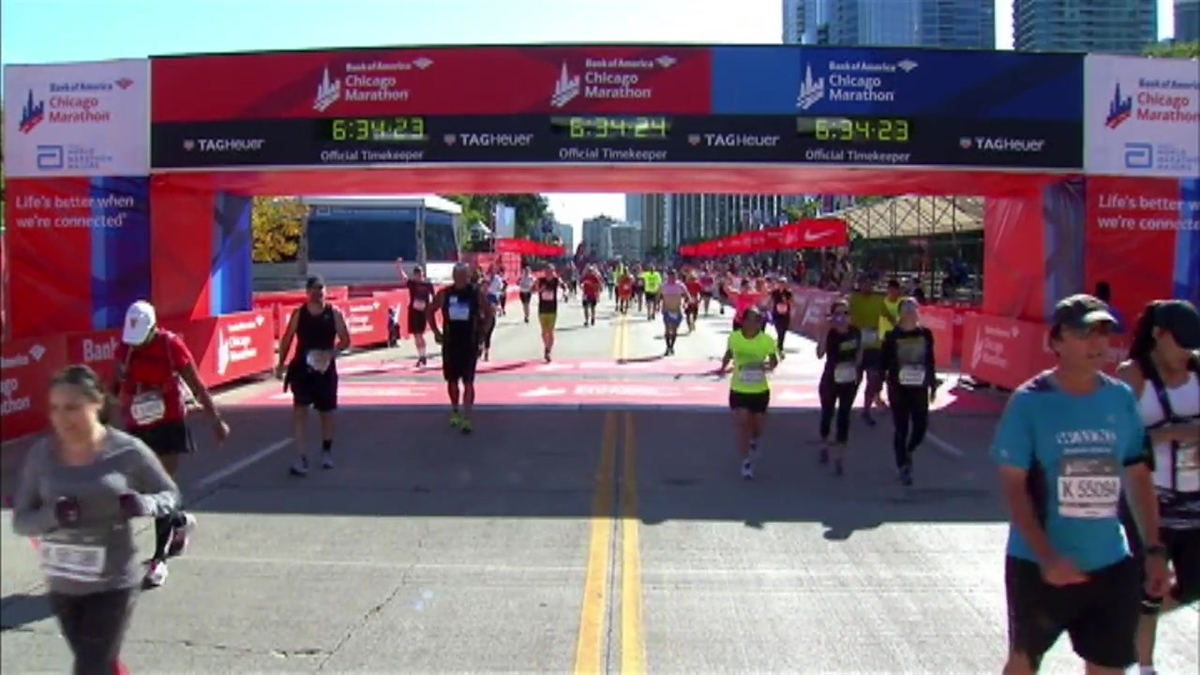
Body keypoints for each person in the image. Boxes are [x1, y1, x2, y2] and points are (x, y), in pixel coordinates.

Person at [991, 294, 1169, 675]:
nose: (1098, 342)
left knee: (1109, 667)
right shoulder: (1029, 402)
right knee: (1023, 665)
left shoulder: (1119, 398)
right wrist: (1047, 556)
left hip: (1110, 563)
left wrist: (1154, 549)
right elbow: (1014, 489)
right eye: (1085, 333)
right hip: (1038, 566)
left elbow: (1138, 475)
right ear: (1056, 341)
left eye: (1104, 332)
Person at [13, 365, 184, 675]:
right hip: (63, 584)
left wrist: (144, 504)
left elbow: (170, 495)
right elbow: (21, 521)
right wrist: (52, 516)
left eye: (72, 407)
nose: (62, 417)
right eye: (55, 408)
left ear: (97, 403)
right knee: (99, 663)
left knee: (90, 666)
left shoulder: (127, 450)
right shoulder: (41, 455)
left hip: (113, 583)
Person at [113, 300, 226, 587]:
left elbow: (196, 383)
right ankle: (180, 521)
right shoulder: (125, 349)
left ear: (153, 328)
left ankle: (158, 561)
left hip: (169, 423)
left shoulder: (170, 345)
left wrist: (215, 420)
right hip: (137, 423)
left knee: (160, 488)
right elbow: (112, 387)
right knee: (140, 490)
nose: (136, 344)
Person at [1113, 300, 1200, 675]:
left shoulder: (1198, 371)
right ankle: (1144, 665)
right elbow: (1117, 443)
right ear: (1158, 335)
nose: (1187, 354)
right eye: (1181, 344)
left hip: (1195, 498)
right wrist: (1167, 434)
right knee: (1150, 586)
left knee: (1193, 584)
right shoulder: (1133, 376)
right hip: (1148, 499)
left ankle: (1126, 618)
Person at [276, 276, 351, 477]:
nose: (318, 294)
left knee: (326, 412)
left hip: (325, 370)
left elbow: (346, 340)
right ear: (307, 293)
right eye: (314, 290)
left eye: (321, 290)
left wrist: (330, 353)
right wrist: (280, 364)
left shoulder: (334, 313)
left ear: (326, 292)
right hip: (302, 369)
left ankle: (326, 451)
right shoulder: (299, 314)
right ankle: (301, 457)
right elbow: (287, 339)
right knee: (300, 411)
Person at [426, 263, 494, 434]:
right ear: (453, 276)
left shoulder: (475, 293)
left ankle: (467, 417)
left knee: (469, 382)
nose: (460, 279)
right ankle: (455, 410)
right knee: (452, 381)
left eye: (463, 275)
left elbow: (489, 312)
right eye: (457, 276)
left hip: (469, 343)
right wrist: (436, 332)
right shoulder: (445, 294)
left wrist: (482, 334)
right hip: (450, 343)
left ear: (468, 276)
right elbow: (430, 310)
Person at [880, 298, 938, 486]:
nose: (911, 313)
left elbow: (930, 361)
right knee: (901, 428)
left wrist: (933, 385)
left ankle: (908, 450)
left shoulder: (926, 334)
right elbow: (882, 364)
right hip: (898, 389)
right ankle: (902, 466)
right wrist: (877, 390)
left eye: (914, 309)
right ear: (901, 314)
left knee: (921, 427)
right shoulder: (892, 336)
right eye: (907, 309)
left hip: (919, 388)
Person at [716, 308, 779, 480]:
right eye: (749, 320)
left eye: (756, 321)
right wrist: (722, 367)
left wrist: (765, 366)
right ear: (743, 321)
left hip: (760, 391)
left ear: (760, 323)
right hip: (739, 389)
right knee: (744, 425)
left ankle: (753, 441)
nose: (752, 324)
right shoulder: (734, 337)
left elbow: (774, 362)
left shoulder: (767, 340)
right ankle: (746, 462)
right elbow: (729, 354)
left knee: (757, 428)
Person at [816, 298, 862, 476]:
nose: (842, 317)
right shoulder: (830, 333)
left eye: (845, 313)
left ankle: (840, 457)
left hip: (849, 380)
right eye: (838, 314)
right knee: (827, 413)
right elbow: (820, 354)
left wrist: (856, 369)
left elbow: (859, 352)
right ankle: (824, 444)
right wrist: (824, 330)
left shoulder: (855, 332)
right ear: (833, 316)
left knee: (844, 416)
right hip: (830, 379)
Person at [849, 276, 887, 426]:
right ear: (859, 285)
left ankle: (866, 410)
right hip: (857, 345)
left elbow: (889, 316)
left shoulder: (879, 300)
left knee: (872, 379)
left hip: (873, 346)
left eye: (869, 284)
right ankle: (846, 408)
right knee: (855, 380)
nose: (866, 287)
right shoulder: (854, 298)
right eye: (863, 284)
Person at [396, 261, 436, 367]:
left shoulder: (428, 285)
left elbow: (434, 297)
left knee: (420, 334)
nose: (419, 276)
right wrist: (399, 268)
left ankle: (423, 355)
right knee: (415, 335)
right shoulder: (413, 284)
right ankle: (421, 356)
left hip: (422, 312)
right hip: (413, 312)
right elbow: (404, 278)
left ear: (423, 274)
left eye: (420, 274)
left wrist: (430, 306)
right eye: (417, 274)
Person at [659, 270, 692, 356]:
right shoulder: (664, 286)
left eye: (674, 276)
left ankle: (672, 346)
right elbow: (658, 296)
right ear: (668, 277)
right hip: (666, 310)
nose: (672, 278)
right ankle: (668, 347)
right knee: (667, 329)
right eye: (670, 276)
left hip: (677, 310)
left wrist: (685, 304)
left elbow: (688, 296)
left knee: (674, 330)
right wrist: (657, 305)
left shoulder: (680, 285)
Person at [534, 267, 561, 362]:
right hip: (542, 309)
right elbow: (533, 290)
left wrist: (564, 291)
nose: (549, 274)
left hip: (552, 310)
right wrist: (540, 290)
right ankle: (546, 346)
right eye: (547, 272)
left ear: (553, 272)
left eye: (551, 272)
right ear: (544, 272)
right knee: (543, 332)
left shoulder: (556, 281)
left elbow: (564, 286)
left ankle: (548, 351)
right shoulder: (540, 280)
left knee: (550, 332)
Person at [768, 280, 795, 357]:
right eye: (780, 283)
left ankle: (780, 347)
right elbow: (770, 300)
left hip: (785, 315)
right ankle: (779, 345)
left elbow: (793, 302)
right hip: (777, 314)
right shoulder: (775, 292)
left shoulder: (788, 293)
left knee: (783, 332)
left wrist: (787, 301)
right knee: (779, 330)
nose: (782, 285)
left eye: (783, 283)